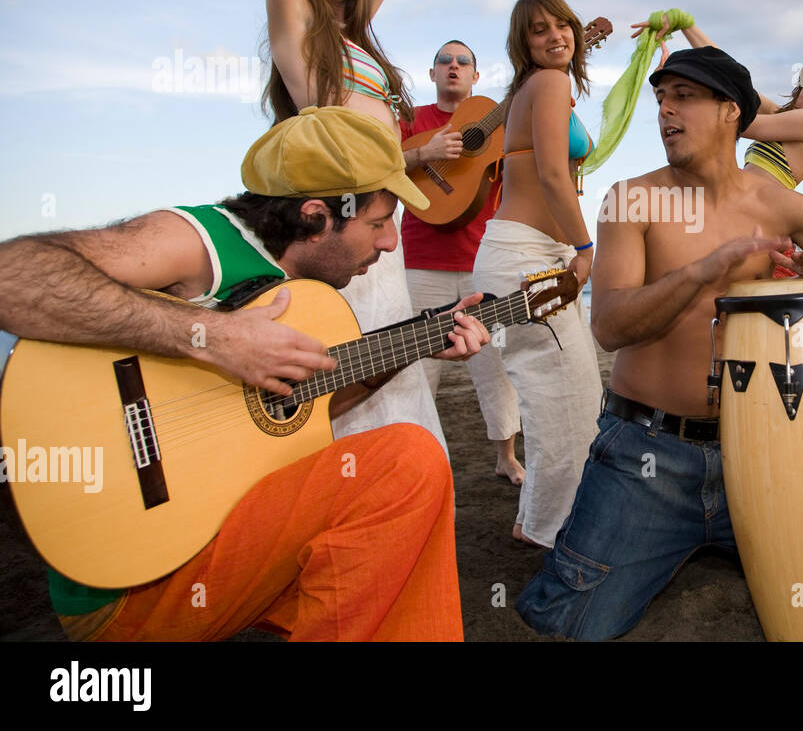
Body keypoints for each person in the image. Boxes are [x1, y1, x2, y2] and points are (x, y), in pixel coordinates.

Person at [0, 107, 490, 641]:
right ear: (314, 216)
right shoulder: (203, 240)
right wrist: (213, 337)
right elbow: (12, 277)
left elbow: (301, 410)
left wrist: (416, 342)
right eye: (377, 223)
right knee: (408, 461)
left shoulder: (311, 288)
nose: (391, 243)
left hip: (215, 544)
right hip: (133, 583)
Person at [514, 46, 803, 640]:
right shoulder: (633, 198)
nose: (666, 111)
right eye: (661, 98)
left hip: (766, 449)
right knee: (567, 623)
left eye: (684, 97)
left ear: (731, 111)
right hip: (645, 454)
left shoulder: (778, 204)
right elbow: (611, 325)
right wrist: (704, 272)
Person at [258, 0, 443, 448]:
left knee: (396, 382)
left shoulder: (358, 37)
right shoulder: (297, 33)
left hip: (378, 230)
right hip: (333, 230)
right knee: (346, 386)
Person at [471, 0, 603, 548]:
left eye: (563, 26)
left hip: (523, 255)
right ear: (523, 44)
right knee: (570, 403)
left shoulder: (537, 88)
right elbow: (552, 174)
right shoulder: (549, 83)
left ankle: (536, 522)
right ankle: (555, 533)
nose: (556, 37)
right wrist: (586, 246)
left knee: (558, 399)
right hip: (528, 257)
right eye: (539, 30)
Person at [402, 39, 525, 485]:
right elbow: (378, 166)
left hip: (482, 261)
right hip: (420, 260)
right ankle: (414, 458)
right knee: (418, 366)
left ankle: (506, 456)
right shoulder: (413, 122)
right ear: (432, 73)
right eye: (443, 61)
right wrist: (423, 154)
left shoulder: (501, 127)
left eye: (463, 62)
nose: (453, 66)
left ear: (476, 77)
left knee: (495, 365)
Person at [631, 15, 803, 187]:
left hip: (759, 224)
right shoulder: (781, 116)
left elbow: (727, 121)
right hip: (742, 210)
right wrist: (685, 24)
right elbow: (729, 72)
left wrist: (671, 95)